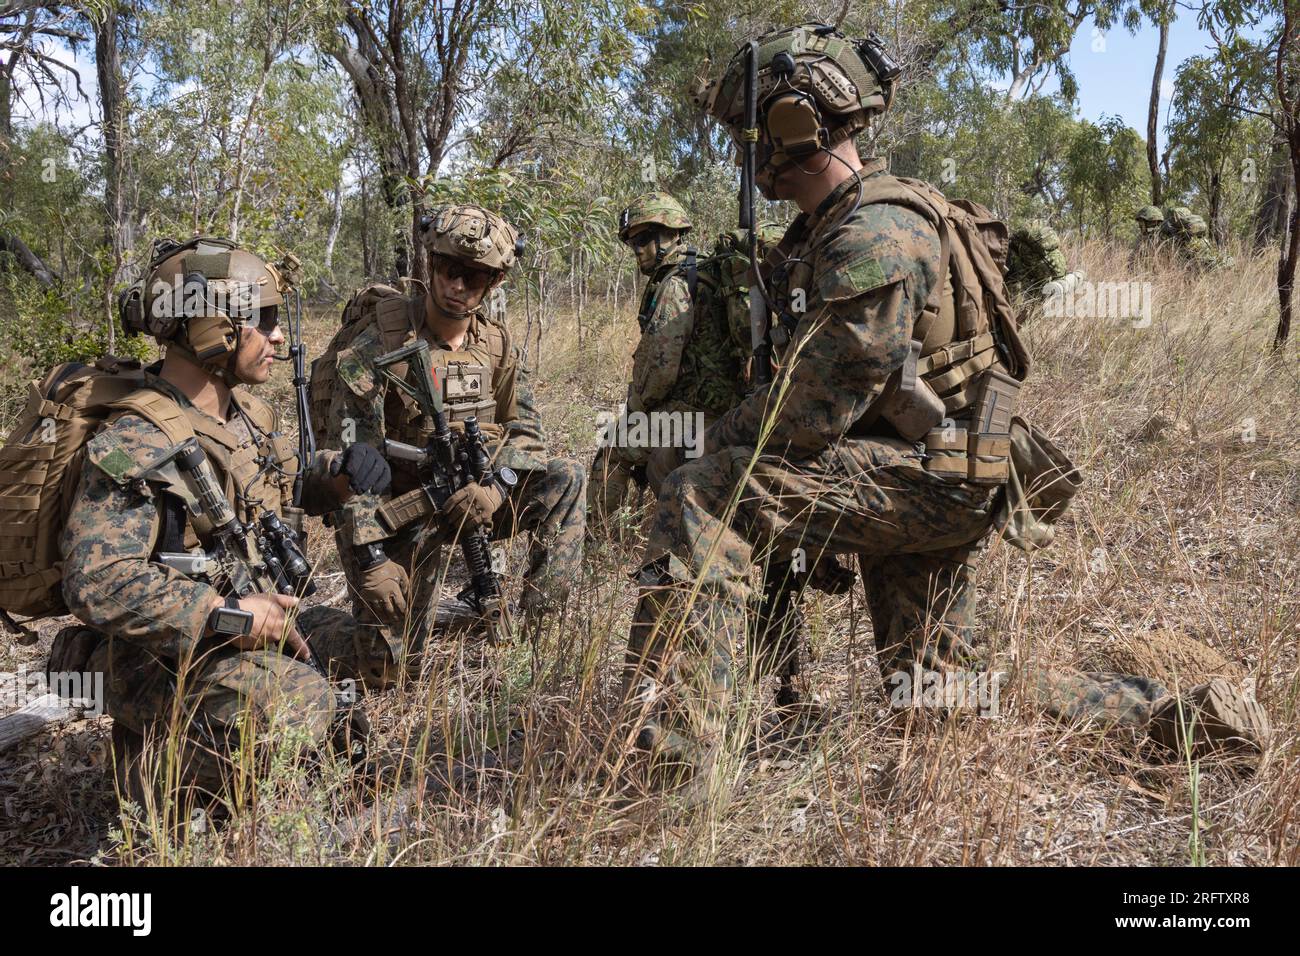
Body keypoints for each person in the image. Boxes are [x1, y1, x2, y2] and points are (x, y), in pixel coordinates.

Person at [624, 24, 1268, 792]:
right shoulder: (841, 225)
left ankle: (671, 770)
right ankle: (1179, 719)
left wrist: (705, 443)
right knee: (940, 696)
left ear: (797, 121)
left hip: (927, 479)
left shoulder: (875, 233)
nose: (748, 151)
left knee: (704, 490)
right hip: (931, 471)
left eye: (752, 128)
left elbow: (804, 417)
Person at [58, 236, 391, 806]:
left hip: (246, 616)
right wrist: (228, 616)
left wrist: (339, 475)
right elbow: (96, 582)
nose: (279, 335)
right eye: (263, 319)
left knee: (378, 649)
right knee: (301, 706)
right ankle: (153, 779)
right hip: (155, 649)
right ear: (217, 329)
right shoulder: (137, 439)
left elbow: (282, 486)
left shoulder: (246, 413)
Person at [314, 204, 586, 686]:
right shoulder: (378, 344)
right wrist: (372, 559)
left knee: (566, 477)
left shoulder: (497, 346)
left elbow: (528, 433)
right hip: (398, 510)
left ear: (495, 283)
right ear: (431, 263)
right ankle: (307, 623)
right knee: (389, 673)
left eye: (475, 278)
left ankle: (539, 642)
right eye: (448, 270)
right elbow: (350, 463)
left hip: (474, 501)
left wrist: (497, 489)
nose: (458, 286)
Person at [589, 192, 752, 534]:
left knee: (613, 447)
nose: (637, 249)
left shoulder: (676, 284)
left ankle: (595, 542)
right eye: (633, 241)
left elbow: (660, 368)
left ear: (673, 234)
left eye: (645, 238)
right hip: (729, 410)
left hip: (694, 416)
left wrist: (634, 409)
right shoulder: (704, 272)